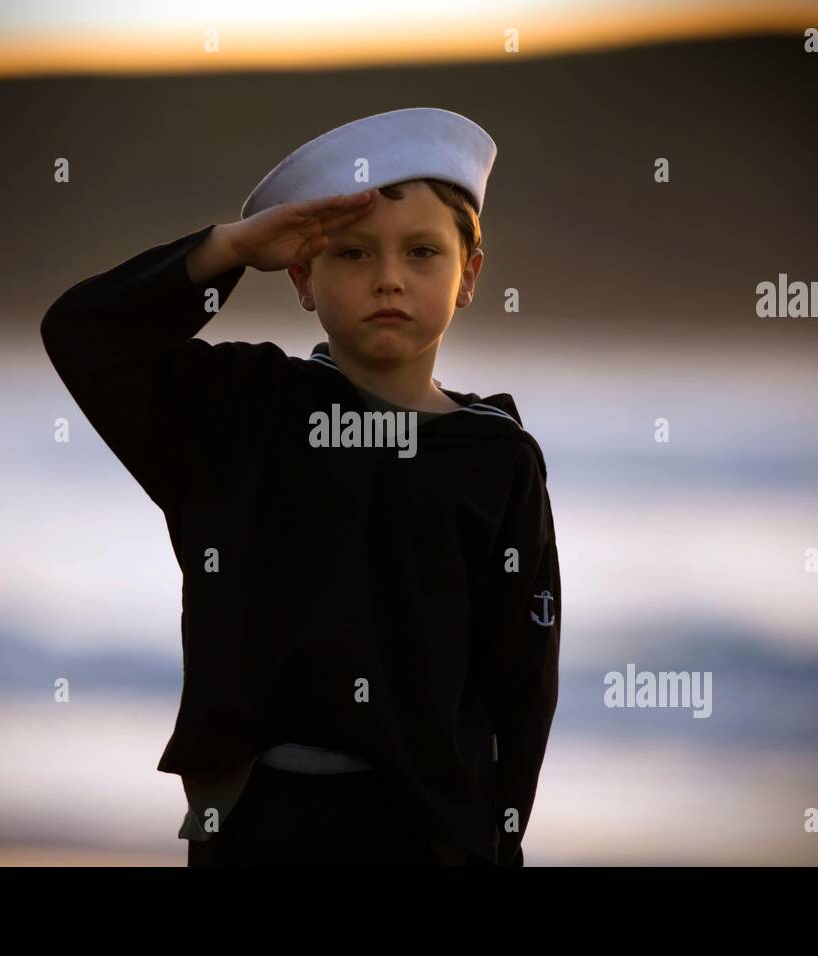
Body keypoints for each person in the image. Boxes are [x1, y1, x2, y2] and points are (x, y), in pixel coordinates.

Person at [40, 107, 561, 866]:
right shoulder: (239, 411)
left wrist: (499, 843)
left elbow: (521, 686)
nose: (388, 278)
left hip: (428, 842)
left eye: (422, 252)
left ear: (469, 274)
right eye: (351, 254)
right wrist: (230, 247)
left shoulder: (499, 456)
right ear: (302, 279)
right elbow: (84, 334)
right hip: (253, 830)